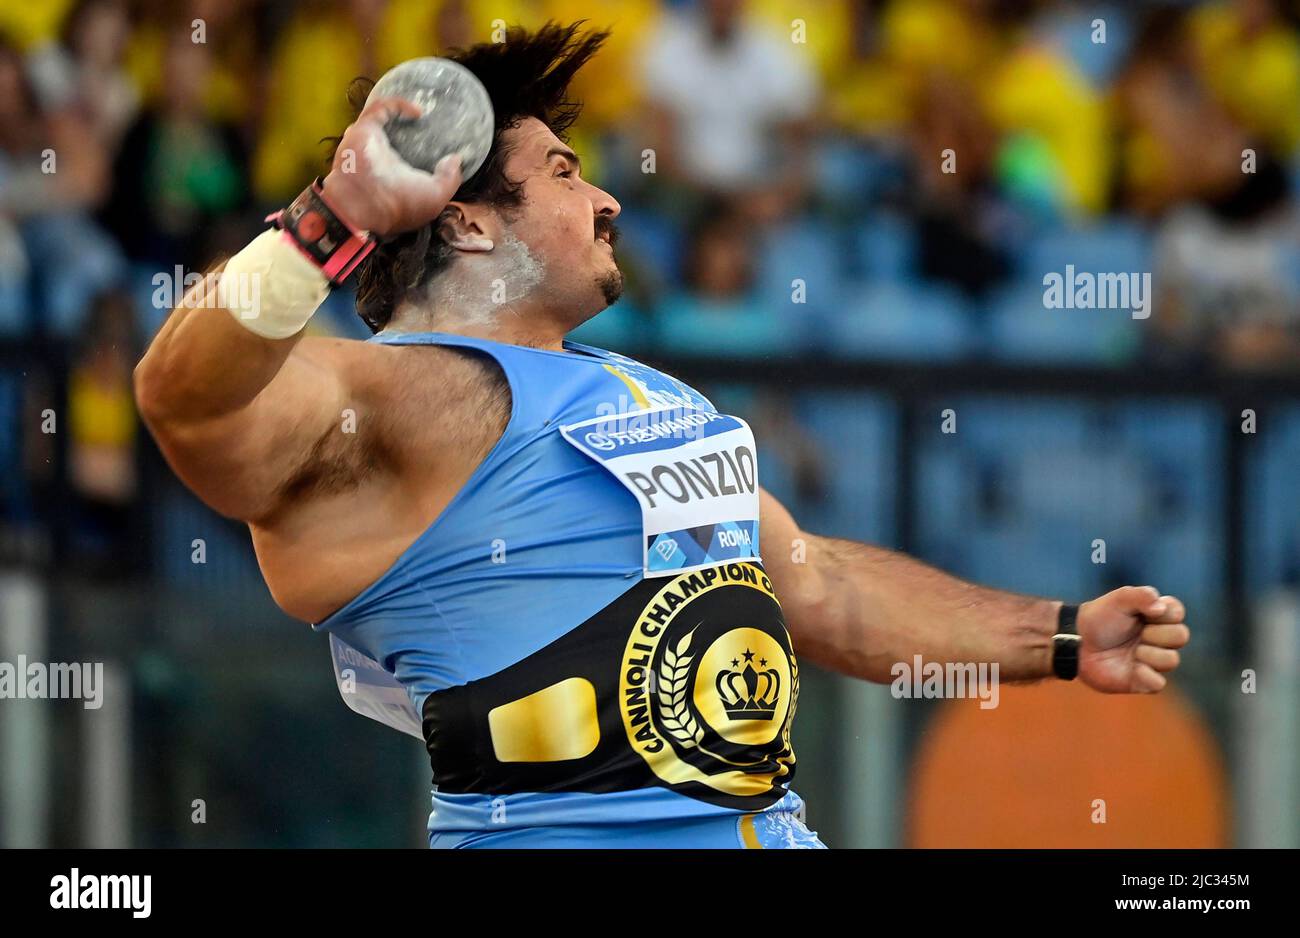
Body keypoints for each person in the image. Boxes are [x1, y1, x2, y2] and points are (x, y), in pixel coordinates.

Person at [134, 23, 1191, 849]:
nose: (604, 201)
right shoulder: (381, 394)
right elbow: (189, 400)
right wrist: (339, 211)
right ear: (466, 219)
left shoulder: (651, 394)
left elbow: (819, 586)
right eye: (561, 172)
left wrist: (1055, 634)